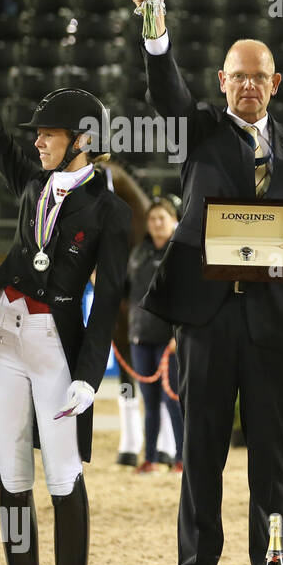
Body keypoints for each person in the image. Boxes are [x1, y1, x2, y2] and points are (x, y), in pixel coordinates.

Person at [130, 0, 283, 565]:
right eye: (236, 75)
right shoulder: (197, 129)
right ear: (223, 83)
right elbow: (165, 91)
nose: (248, 85)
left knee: (271, 462)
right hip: (206, 319)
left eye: (259, 76)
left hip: (272, 321)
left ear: (275, 84)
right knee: (201, 455)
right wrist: (154, 22)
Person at [0, 9, 131, 565]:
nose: (38, 142)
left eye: (50, 134)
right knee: (12, 476)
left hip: (57, 346)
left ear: (81, 138)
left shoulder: (111, 211)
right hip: (0, 334)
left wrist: (90, 375)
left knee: (63, 475)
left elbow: (108, 299)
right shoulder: (31, 182)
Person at [124, 198, 183, 476]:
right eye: (152, 219)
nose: (157, 224)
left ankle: (182, 459)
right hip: (141, 337)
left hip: (169, 341)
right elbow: (126, 290)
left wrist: (178, 335)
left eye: (162, 218)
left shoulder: (182, 251)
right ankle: (150, 459)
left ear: (174, 221)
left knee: (173, 400)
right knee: (149, 402)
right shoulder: (139, 253)